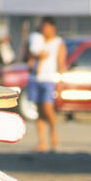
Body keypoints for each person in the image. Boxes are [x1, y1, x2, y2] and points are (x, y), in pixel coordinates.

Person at [25, 18, 66, 152]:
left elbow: (61, 63)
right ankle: (42, 141)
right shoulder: (37, 40)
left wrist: (60, 81)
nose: (44, 30)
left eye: (46, 27)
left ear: (52, 28)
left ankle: (53, 132)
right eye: (43, 27)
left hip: (49, 79)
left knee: (48, 108)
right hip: (35, 79)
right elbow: (29, 58)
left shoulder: (58, 43)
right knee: (39, 110)